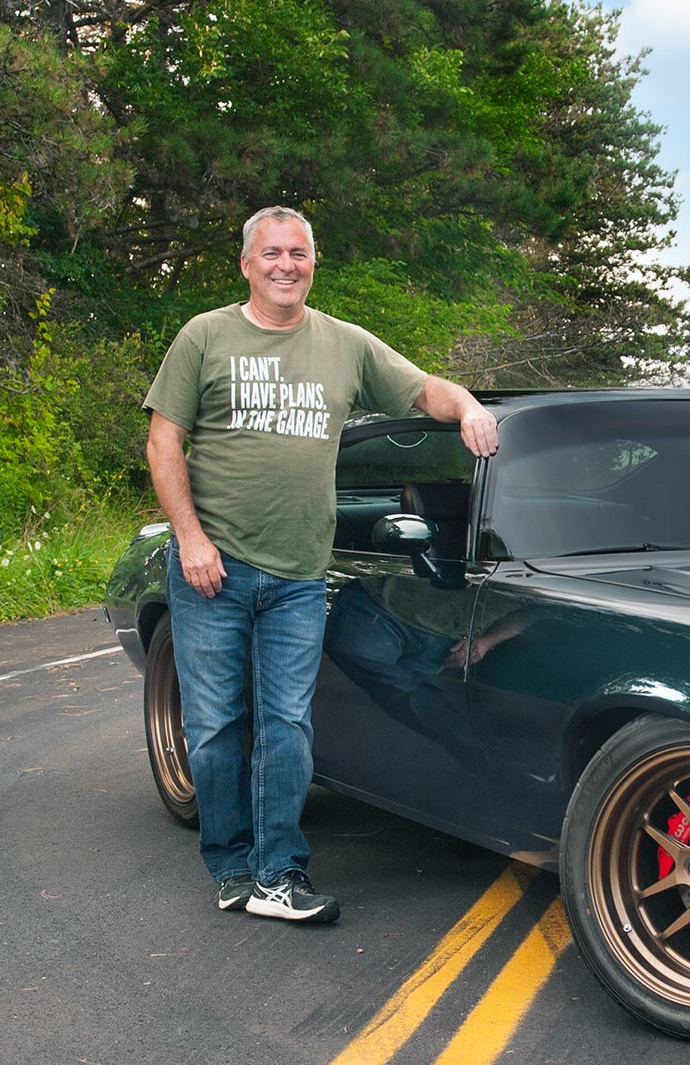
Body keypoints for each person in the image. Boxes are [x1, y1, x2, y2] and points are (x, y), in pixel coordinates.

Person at [143, 206, 499, 922]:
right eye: (271, 253)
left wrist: (465, 405)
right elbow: (163, 441)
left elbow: (419, 388)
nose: (286, 265)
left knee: (288, 727)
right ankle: (233, 862)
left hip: (300, 576)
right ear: (246, 264)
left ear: (313, 261)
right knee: (215, 729)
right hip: (215, 568)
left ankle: (281, 874)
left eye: (298, 253)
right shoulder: (205, 337)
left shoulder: (344, 344)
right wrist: (190, 539)